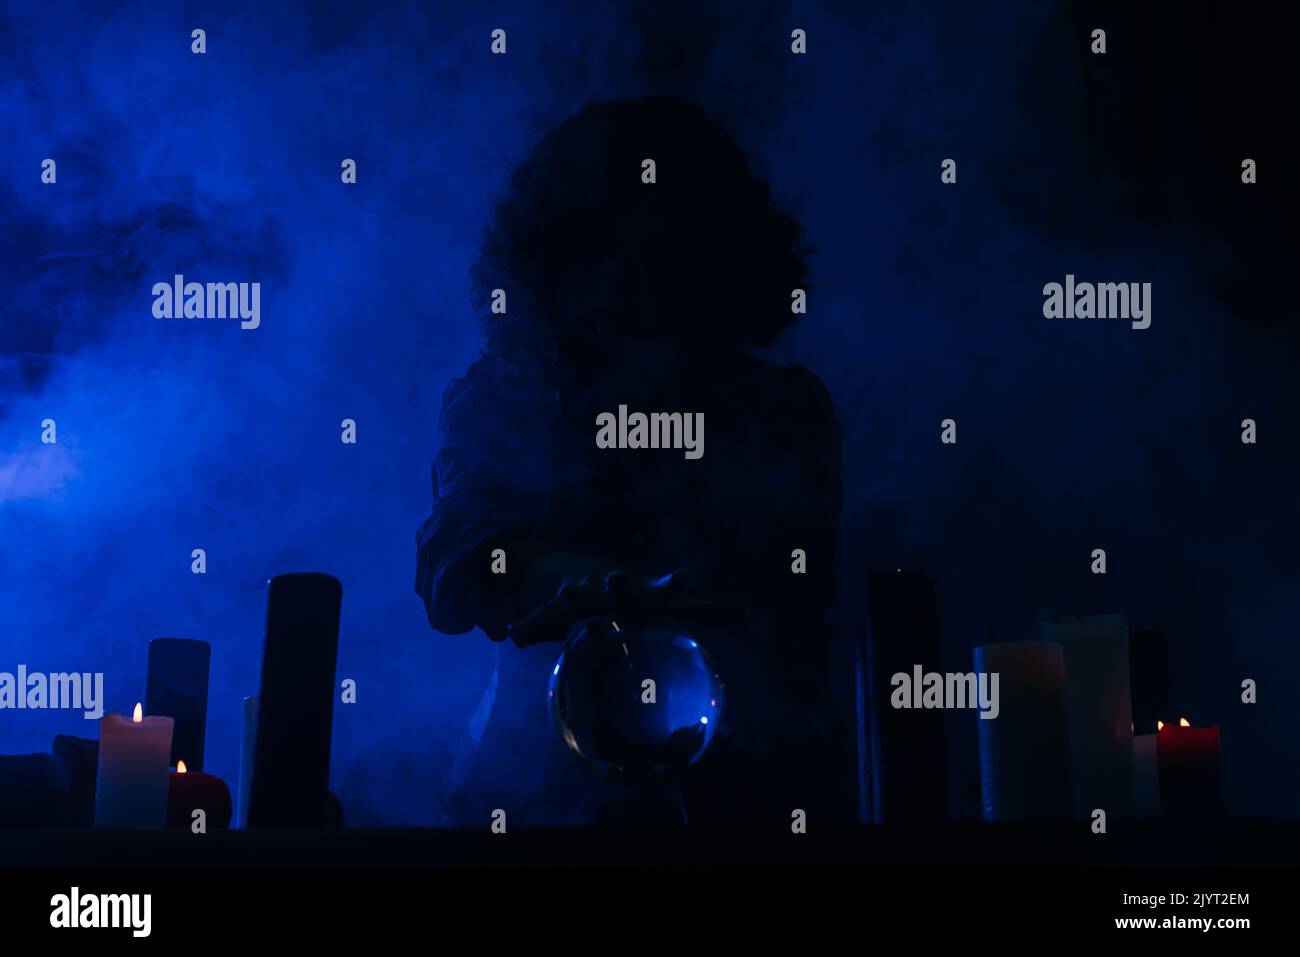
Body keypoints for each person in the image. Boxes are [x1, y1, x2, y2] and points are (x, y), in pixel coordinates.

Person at [416, 96, 846, 827]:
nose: (631, 281)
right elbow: (454, 565)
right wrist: (593, 585)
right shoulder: (502, 398)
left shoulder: (783, 408)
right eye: (605, 249)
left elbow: (799, 592)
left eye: (666, 249)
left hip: (749, 801)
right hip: (531, 805)